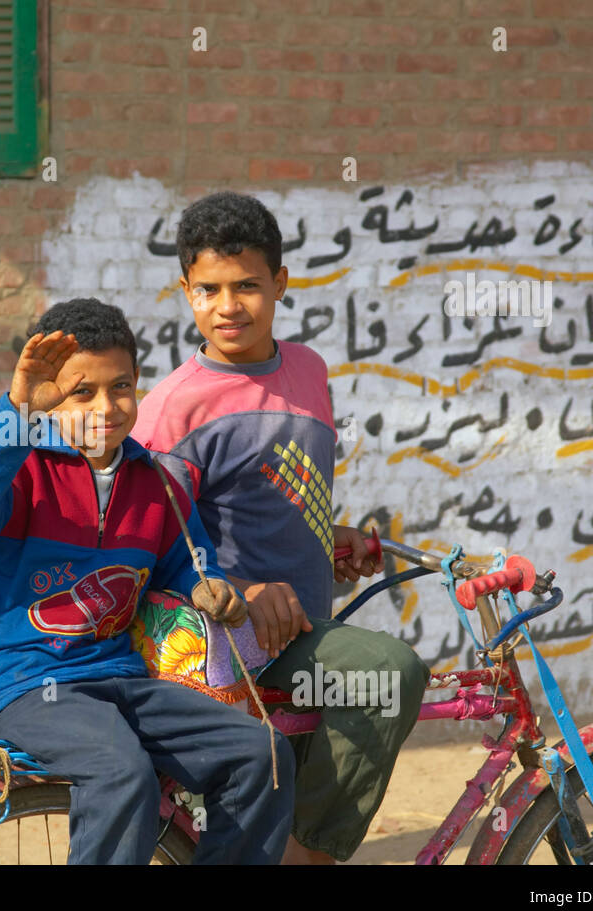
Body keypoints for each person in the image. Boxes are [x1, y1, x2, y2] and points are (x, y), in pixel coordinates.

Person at [0, 297, 294, 865]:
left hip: (119, 679)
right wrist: (16, 411)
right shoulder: (22, 471)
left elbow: (189, 561)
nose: (106, 407)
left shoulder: (159, 483)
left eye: (120, 387)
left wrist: (210, 589)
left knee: (261, 754)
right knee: (123, 773)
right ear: (49, 398)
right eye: (81, 392)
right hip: (21, 683)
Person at [132, 191, 429, 865]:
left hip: (301, 629)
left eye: (247, 285)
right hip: (227, 643)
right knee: (391, 673)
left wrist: (332, 534)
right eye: (208, 288)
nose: (228, 305)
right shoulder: (174, 407)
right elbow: (150, 545)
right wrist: (240, 587)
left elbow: (274, 491)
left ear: (281, 284)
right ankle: (307, 857)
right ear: (185, 291)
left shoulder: (309, 371)